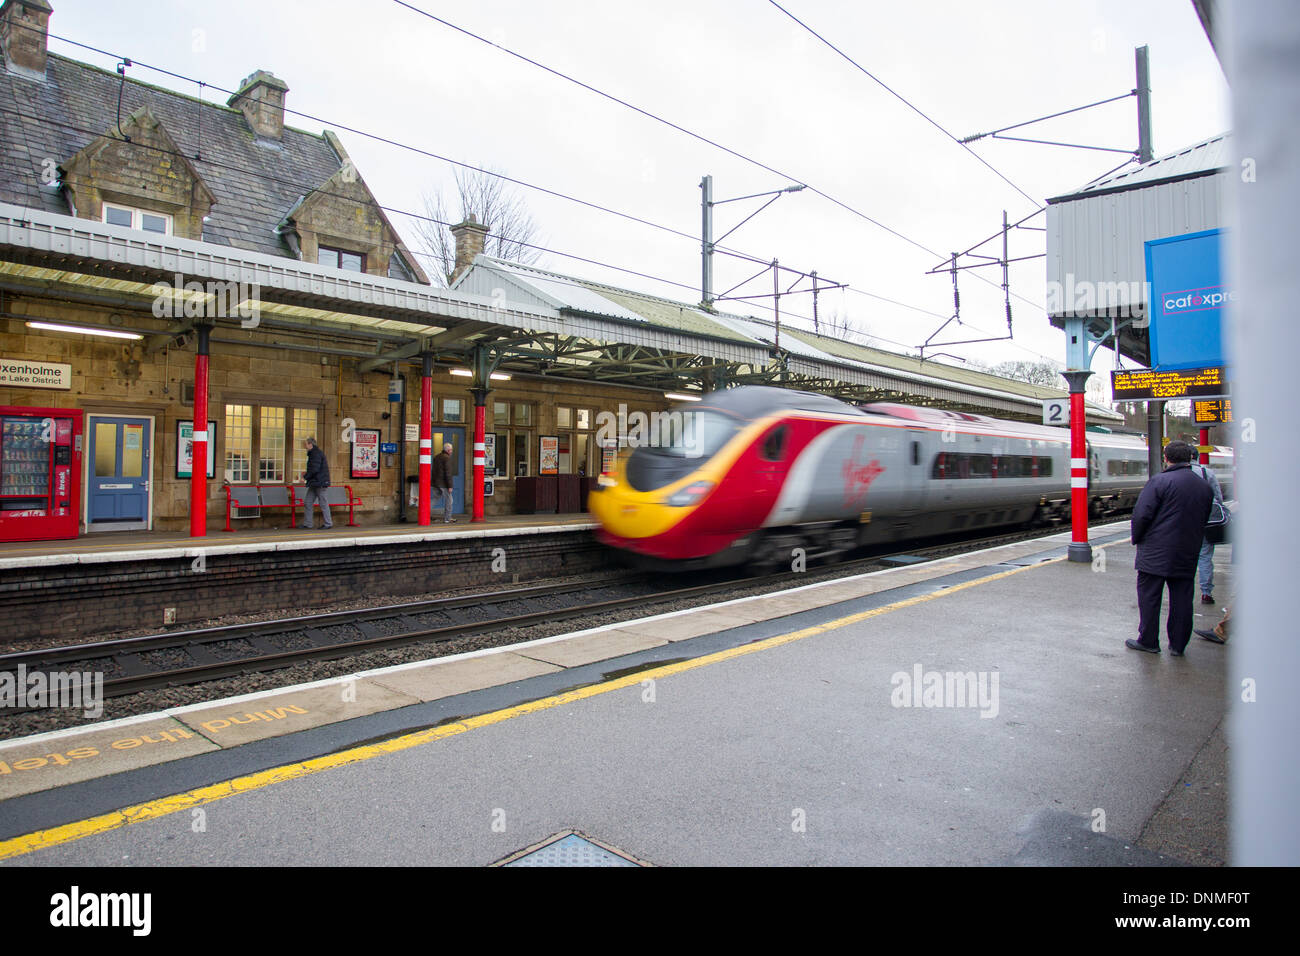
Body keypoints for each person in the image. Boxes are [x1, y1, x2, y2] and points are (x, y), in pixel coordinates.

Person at [1127, 440, 1213, 657]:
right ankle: (1178, 645)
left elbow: (1142, 514)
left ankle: (1148, 641)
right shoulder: (1203, 485)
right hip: (1187, 550)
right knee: (1183, 598)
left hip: (1155, 551)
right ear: (1189, 459)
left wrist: (1136, 538)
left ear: (1166, 458)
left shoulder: (1159, 481)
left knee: (1149, 597)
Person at [1189, 457, 1225, 604]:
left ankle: (1185, 590)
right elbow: (1218, 498)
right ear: (1196, 457)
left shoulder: (1174, 474)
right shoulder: (1207, 473)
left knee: (1186, 556)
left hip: (1186, 523)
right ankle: (1206, 592)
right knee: (1205, 557)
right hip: (1206, 521)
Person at [300, 437, 333, 530]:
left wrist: (304, 477)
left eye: (306, 444)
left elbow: (314, 469)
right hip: (315, 482)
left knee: (323, 503)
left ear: (310, 444)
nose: (305, 446)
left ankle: (328, 523)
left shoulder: (315, 454)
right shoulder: (314, 453)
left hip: (320, 482)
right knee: (308, 502)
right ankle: (308, 524)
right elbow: (314, 468)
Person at [432, 441, 456, 523]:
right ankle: (447, 518)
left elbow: (434, 470)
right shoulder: (447, 458)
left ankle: (423, 513)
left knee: (434, 499)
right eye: (451, 450)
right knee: (449, 500)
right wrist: (450, 486)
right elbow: (448, 473)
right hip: (443, 483)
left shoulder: (436, 457)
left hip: (435, 482)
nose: (452, 451)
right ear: (448, 450)